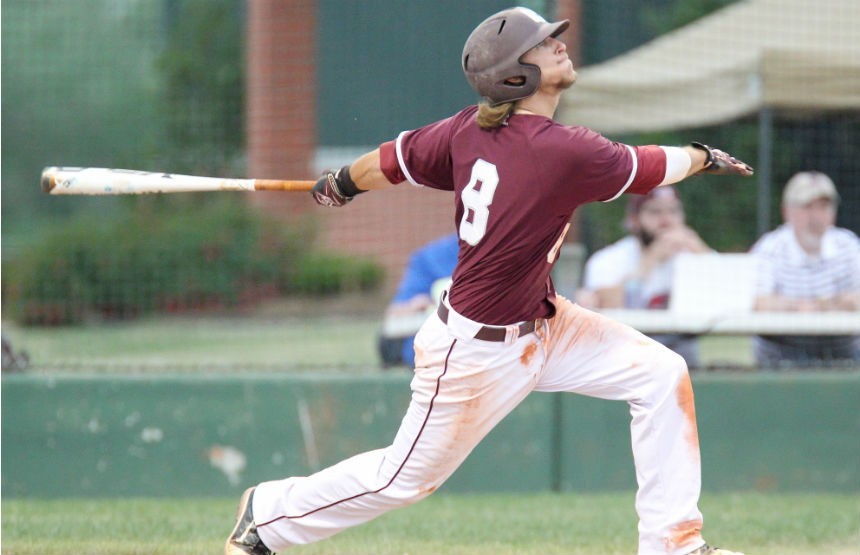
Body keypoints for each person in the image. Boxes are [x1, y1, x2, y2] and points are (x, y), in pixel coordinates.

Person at [226, 7, 753, 555]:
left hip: (546, 325)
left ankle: (675, 545)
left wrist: (341, 183)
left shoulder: (466, 130)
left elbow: (387, 162)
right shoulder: (560, 148)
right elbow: (650, 165)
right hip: (474, 350)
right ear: (514, 75)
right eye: (543, 43)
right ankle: (269, 516)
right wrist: (703, 156)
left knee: (660, 374)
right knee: (401, 479)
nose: (558, 45)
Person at [577, 186, 711, 368]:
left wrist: (702, 252)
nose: (666, 220)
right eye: (655, 211)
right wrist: (650, 260)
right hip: (624, 357)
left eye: (673, 211)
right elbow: (609, 305)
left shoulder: (693, 255)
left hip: (683, 356)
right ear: (634, 219)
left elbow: (735, 294)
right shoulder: (609, 259)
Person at [750, 171, 860, 367]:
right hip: (782, 350)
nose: (816, 216)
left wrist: (799, 306)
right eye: (807, 207)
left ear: (833, 212)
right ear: (786, 211)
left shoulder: (849, 245)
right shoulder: (769, 249)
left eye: (823, 207)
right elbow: (759, 303)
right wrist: (829, 304)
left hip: (843, 350)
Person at [379, 232, 459, 368]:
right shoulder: (432, 257)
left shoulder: (504, 254)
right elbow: (394, 313)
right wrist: (418, 305)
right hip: (437, 354)